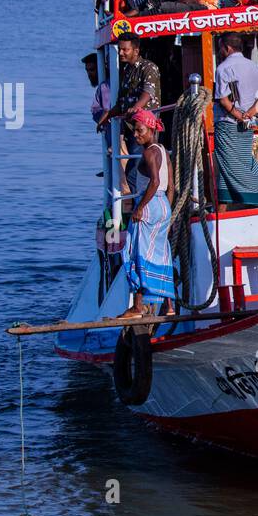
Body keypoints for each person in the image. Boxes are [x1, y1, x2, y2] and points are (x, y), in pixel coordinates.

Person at [118, 110, 176, 318]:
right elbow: (171, 187)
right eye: (134, 131)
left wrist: (140, 207)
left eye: (140, 130)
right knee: (161, 253)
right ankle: (169, 305)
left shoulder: (149, 152)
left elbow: (155, 182)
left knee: (137, 252)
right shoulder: (163, 151)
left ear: (151, 129)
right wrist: (167, 212)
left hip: (149, 203)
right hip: (162, 206)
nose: (136, 135)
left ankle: (138, 305)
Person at [212, 33, 258, 209]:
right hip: (247, 126)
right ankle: (222, 211)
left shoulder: (223, 68)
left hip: (228, 125)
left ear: (226, 47)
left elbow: (223, 100)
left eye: (221, 48)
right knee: (231, 165)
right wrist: (249, 114)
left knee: (233, 166)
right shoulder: (256, 68)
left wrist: (240, 116)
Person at [98, 32, 160, 199]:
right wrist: (107, 116)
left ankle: (140, 202)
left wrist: (136, 108)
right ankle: (135, 201)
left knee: (139, 165)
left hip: (144, 126)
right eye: (120, 49)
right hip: (131, 127)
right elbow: (121, 102)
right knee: (133, 166)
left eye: (125, 50)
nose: (121, 53)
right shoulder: (127, 71)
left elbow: (148, 93)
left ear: (136, 50)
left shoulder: (148, 68)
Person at [83, 53, 111, 127]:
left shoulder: (106, 86)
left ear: (101, 68)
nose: (89, 74)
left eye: (92, 70)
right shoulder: (102, 86)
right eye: (87, 70)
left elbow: (107, 110)